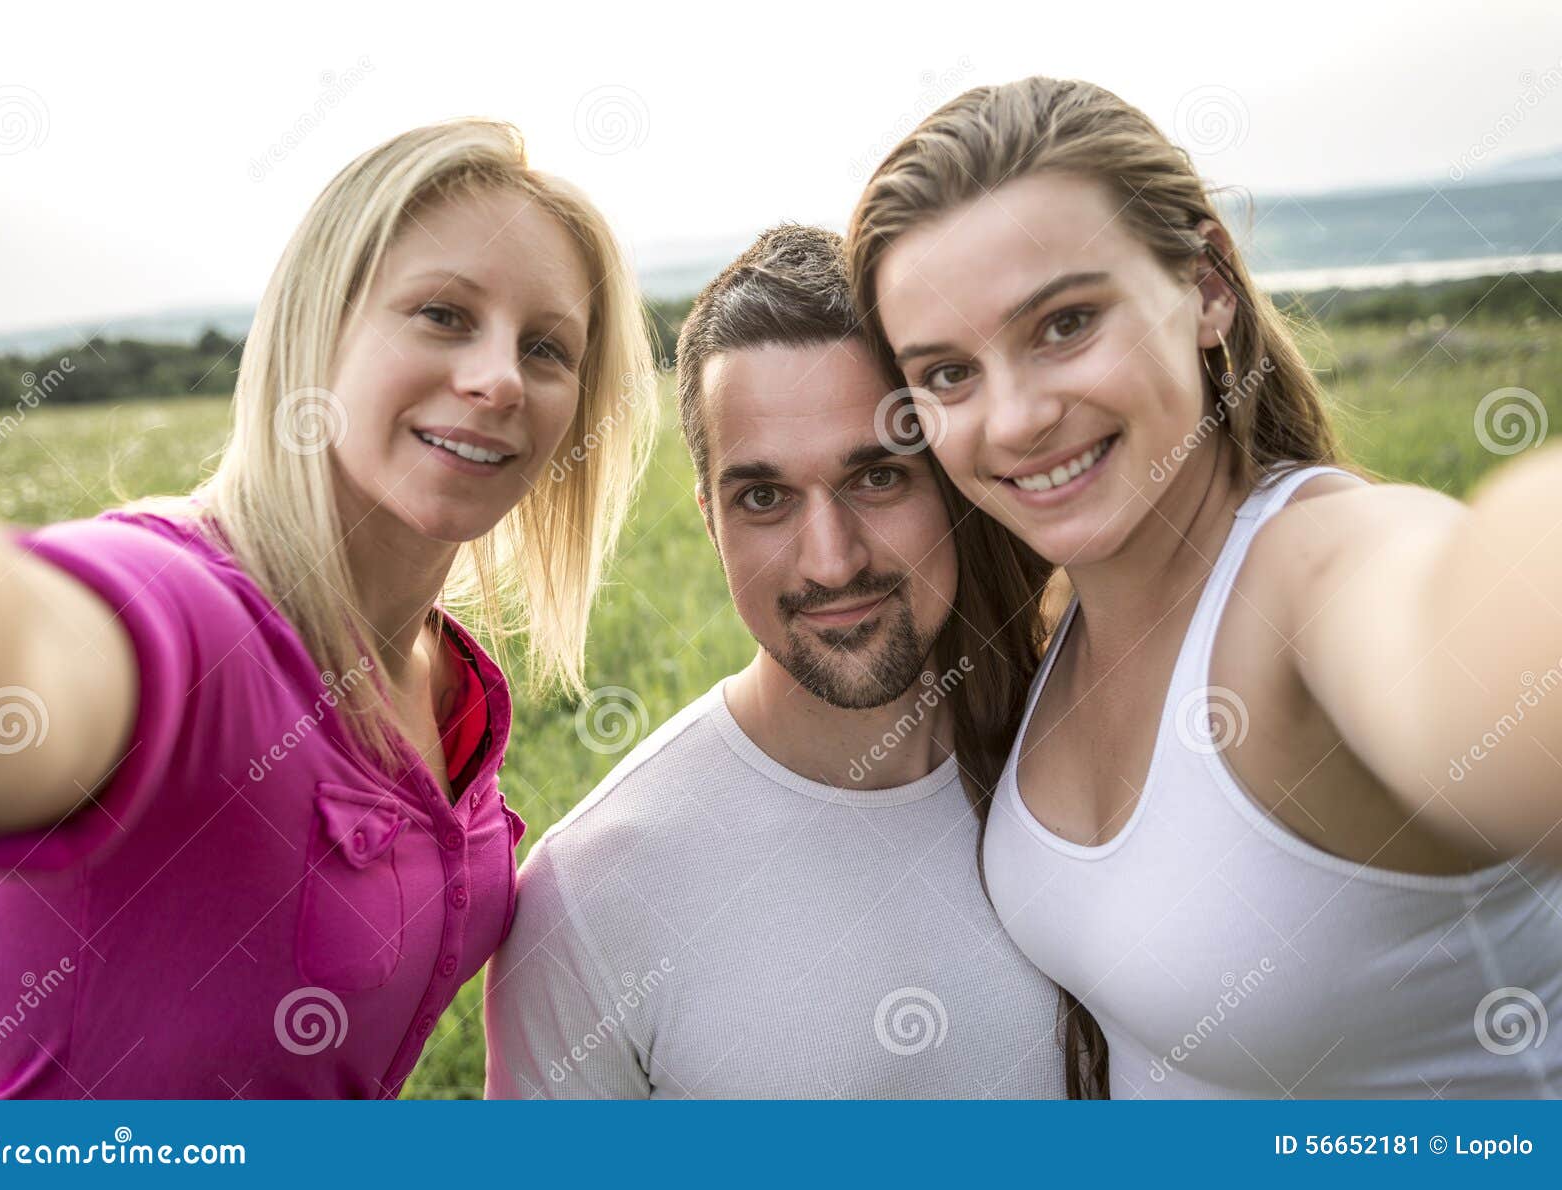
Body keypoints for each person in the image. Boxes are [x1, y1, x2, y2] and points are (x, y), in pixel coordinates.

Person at [846, 75, 1562, 1098]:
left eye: (1064, 324)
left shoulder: (1315, 576)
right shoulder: (1060, 623)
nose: (1011, 420)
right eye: (949, 373)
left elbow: (1461, 620)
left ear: (1208, 288)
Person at [0, 118, 656, 1098]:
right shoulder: (178, 612)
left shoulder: (444, 677)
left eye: (546, 346)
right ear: (316, 328)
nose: (500, 375)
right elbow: (20, 662)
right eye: (443, 313)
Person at [485, 225, 1066, 1098]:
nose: (831, 562)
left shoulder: (1086, 758)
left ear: (952, 478)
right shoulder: (597, 893)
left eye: (877, 478)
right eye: (764, 498)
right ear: (710, 520)